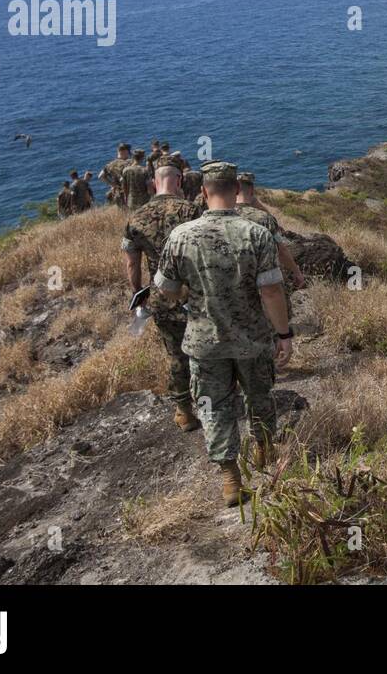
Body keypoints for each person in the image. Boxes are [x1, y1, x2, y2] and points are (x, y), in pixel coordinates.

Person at [155, 161, 292, 508]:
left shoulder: (180, 236)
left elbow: (166, 289)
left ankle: (231, 479)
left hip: (204, 341)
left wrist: (191, 298)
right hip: (252, 339)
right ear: (235, 191)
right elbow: (272, 292)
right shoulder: (255, 234)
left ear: (202, 192)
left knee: (214, 407)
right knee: (259, 397)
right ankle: (264, 450)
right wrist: (283, 333)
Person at [122, 154, 202, 432]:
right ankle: (213, 399)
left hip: (161, 297)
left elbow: (132, 262)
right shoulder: (192, 212)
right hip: (196, 294)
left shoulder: (136, 218)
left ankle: (184, 412)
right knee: (206, 348)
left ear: (153, 183)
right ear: (179, 180)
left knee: (176, 355)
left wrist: (138, 293)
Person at [235, 171, 307, 292]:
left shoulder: (222, 215)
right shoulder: (263, 219)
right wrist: (297, 272)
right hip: (260, 283)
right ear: (252, 190)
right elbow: (281, 250)